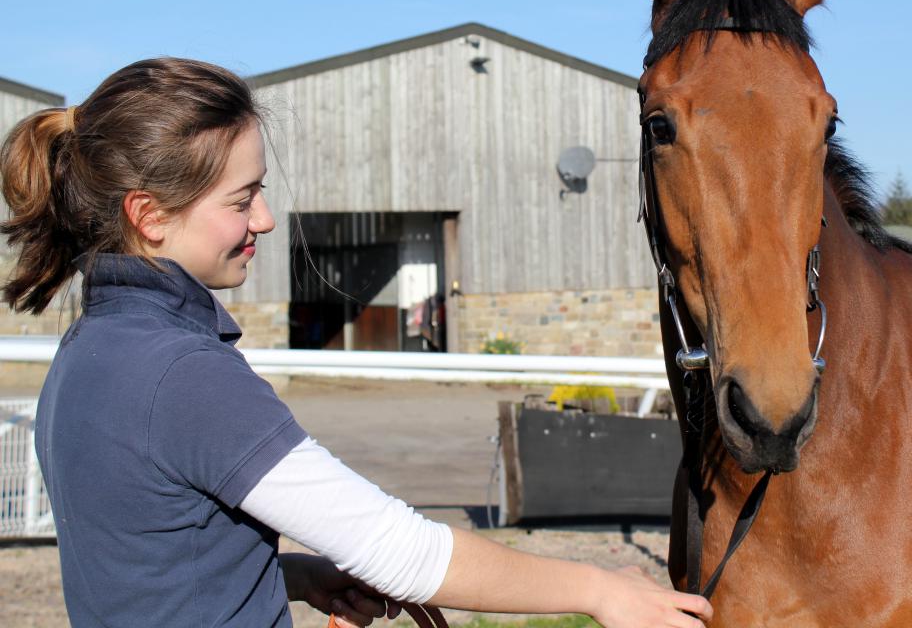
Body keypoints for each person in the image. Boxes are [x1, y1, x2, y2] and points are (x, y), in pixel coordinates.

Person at [0, 58, 712, 628]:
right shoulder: (183, 375)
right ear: (150, 216)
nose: (267, 219)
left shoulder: (86, 353)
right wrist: (600, 590)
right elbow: (401, 551)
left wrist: (293, 576)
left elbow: (145, 570)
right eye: (241, 198)